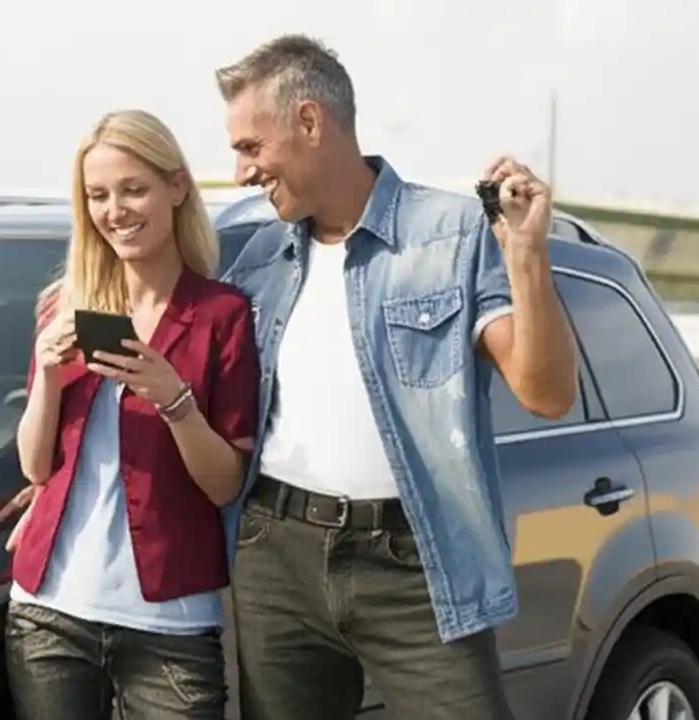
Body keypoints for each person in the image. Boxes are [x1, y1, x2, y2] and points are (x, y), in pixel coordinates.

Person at [213, 34, 579, 720]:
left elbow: (547, 392)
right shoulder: (261, 259)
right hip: (274, 556)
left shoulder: (453, 236)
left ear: (311, 122)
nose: (241, 173)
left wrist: (527, 256)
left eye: (250, 147)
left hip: (414, 565)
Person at [0, 108, 260, 720]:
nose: (115, 210)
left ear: (176, 188)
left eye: (133, 189)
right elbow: (35, 465)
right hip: (48, 611)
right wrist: (47, 380)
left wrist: (174, 400)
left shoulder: (223, 315)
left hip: (168, 622)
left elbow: (225, 484)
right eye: (98, 195)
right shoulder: (66, 306)